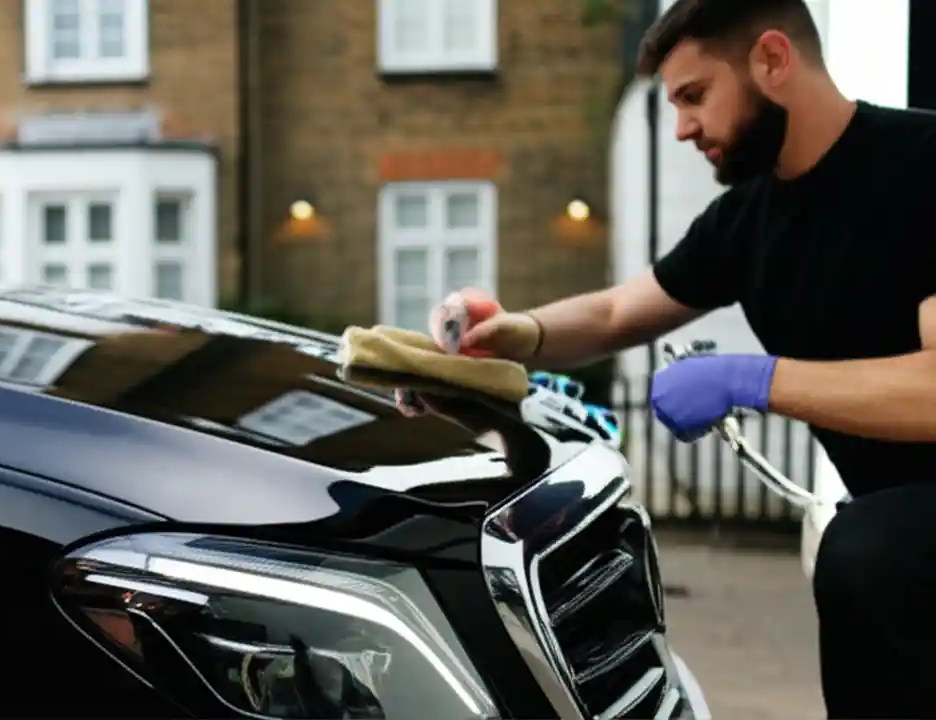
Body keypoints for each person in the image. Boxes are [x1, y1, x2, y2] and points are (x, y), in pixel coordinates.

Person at [401, 0, 936, 716]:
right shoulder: (747, 219)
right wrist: (512, 331)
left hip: (895, 541)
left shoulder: (922, 165)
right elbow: (619, 311)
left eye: (695, 96)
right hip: (887, 544)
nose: (683, 128)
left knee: (865, 552)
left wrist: (754, 379)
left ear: (772, 60)